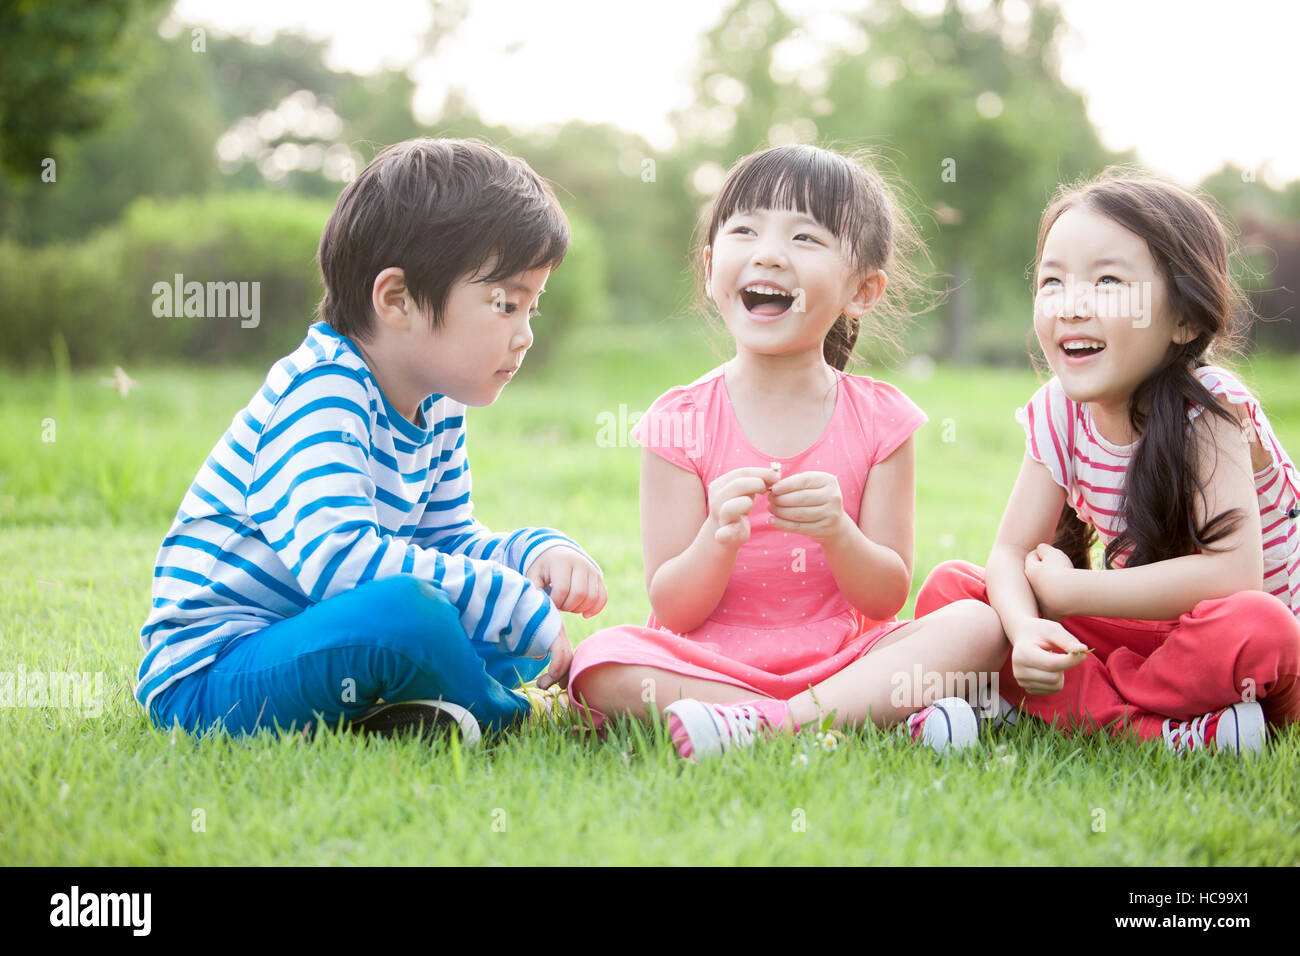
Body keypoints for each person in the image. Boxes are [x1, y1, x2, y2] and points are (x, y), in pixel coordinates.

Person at [135, 138, 606, 744]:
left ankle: (414, 707)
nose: (524, 336)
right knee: (411, 615)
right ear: (397, 299)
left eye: (532, 310)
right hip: (213, 676)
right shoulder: (322, 392)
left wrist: (529, 559)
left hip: (317, 642)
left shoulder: (436, 403)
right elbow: (341, 562)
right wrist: (508, 600)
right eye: (506, 304)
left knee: (475, 627)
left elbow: (447, 541)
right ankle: (493, 716)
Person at [568, 144, 1008, 760]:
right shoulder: (679, 421)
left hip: (843, 658)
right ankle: (861, 718)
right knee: (597, 663)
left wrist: (839, 534)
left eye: (805, 237)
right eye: (744, 230)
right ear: (709, 266)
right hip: (710, 663)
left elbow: (885, 599)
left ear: (862, 291)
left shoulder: (882, 421)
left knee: (979, 627)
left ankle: (771, 723)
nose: (768, 252)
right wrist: (716, 540)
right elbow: (673, 607)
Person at [917, 169, 1300, 755]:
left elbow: (1232, 578)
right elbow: (1011, 554)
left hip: (1242, 652)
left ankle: (1082, 707)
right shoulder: (1057, 412)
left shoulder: (1212, 408)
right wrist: (1023, 632)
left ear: (1184, 320)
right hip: (1149, 640)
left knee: (1260, 626)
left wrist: (1072, 597)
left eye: (1108, 281)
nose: (1071, 306)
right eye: (1052, 281)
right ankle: (1172, 732)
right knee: (951, 594)